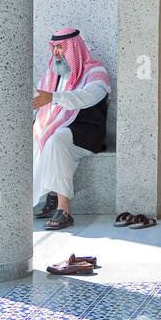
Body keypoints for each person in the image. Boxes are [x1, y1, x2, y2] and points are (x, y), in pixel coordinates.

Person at [33, 27, 111, 230]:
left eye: (61, 47)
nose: (56, 52)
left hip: (87, 132)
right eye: (54, 47)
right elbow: (38, 100)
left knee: (57, 139)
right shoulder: (53, 75)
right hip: (61, 131)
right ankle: (48, 195)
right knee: (39, 133)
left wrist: (53, 98)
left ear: (74, 49)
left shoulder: (96, 71)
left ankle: (63, 208)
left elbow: (85, 98)